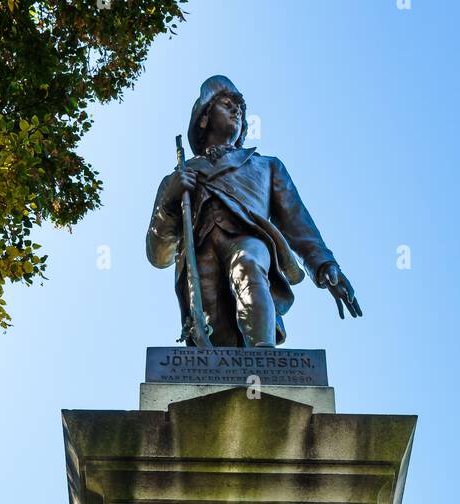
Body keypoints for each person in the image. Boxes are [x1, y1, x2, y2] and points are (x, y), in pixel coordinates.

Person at [146, 76, 362, 347]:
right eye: (227, 103)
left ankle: (265, 359)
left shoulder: (266, 166)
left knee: (247, 264)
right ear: (204, 118)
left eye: (241, 107)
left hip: (249, 240)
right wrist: (169, 201)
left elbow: (297, 222)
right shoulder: (178, 178)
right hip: (200, 256)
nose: (237, 110)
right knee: (213, 333)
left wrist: (324, 265)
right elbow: (158, 255)